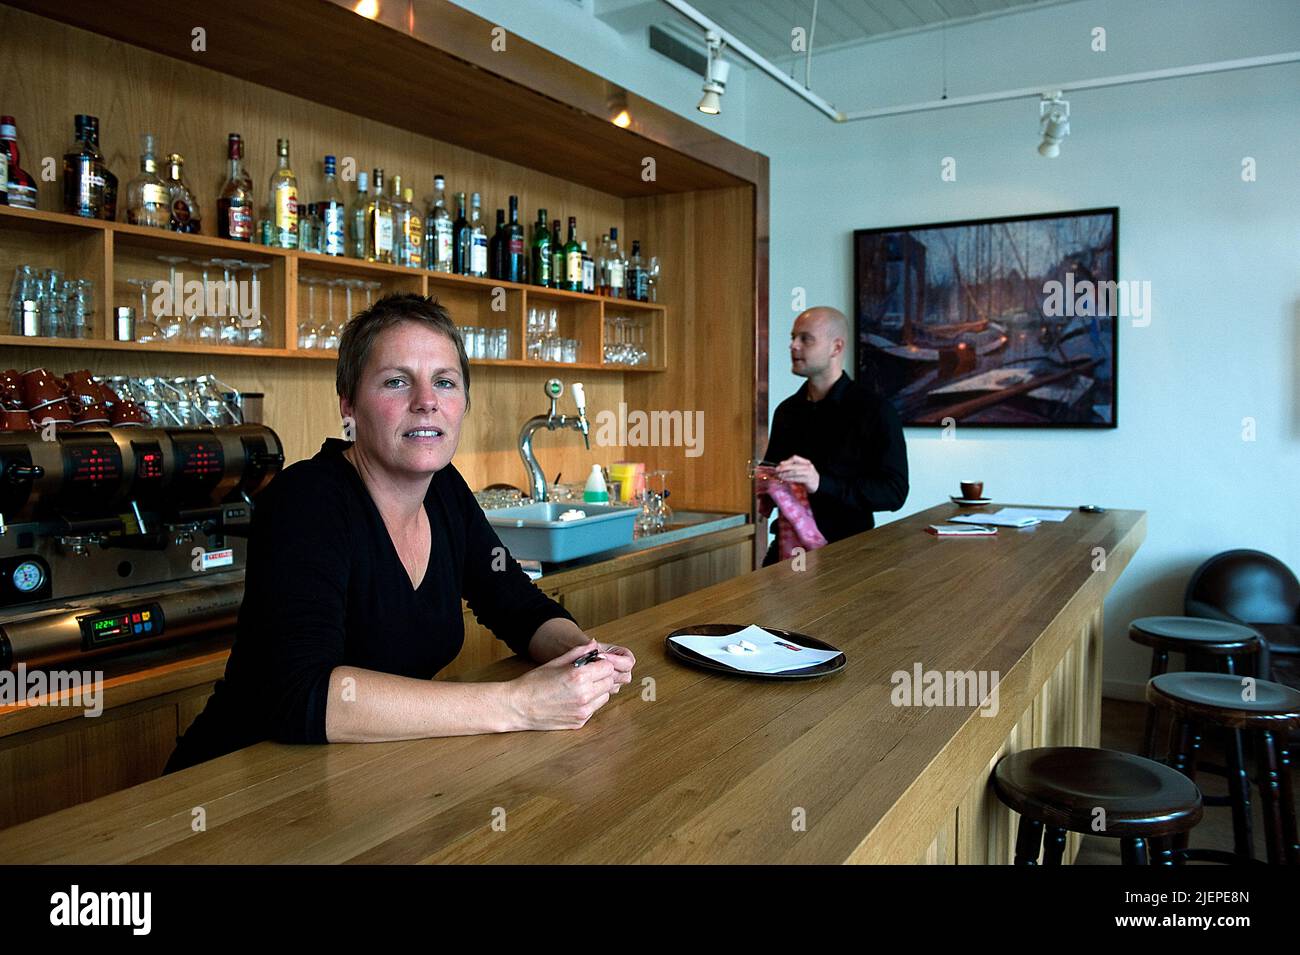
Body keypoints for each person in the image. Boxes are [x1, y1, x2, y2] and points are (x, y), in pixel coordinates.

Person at [164, 294, 634, 773]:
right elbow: (302, 693)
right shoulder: (306, 500)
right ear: (348, 405)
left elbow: (516, 604)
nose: (426, 402)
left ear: (463, 404)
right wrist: (516, 704)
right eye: (396, 382)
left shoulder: (444, 490)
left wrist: (584, 658)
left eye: (445, 383)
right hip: (240, 787)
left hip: (362, 781)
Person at [761, 306, 908, 566]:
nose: (793, 346)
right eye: (793, 337)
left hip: (850, 557)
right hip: (785, 551)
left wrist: (820, 483)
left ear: (836, 348)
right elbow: (772, 471)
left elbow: (894, 493)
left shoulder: (875, 410)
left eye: (805, 338)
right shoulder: (786, 411)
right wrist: (763, 485)